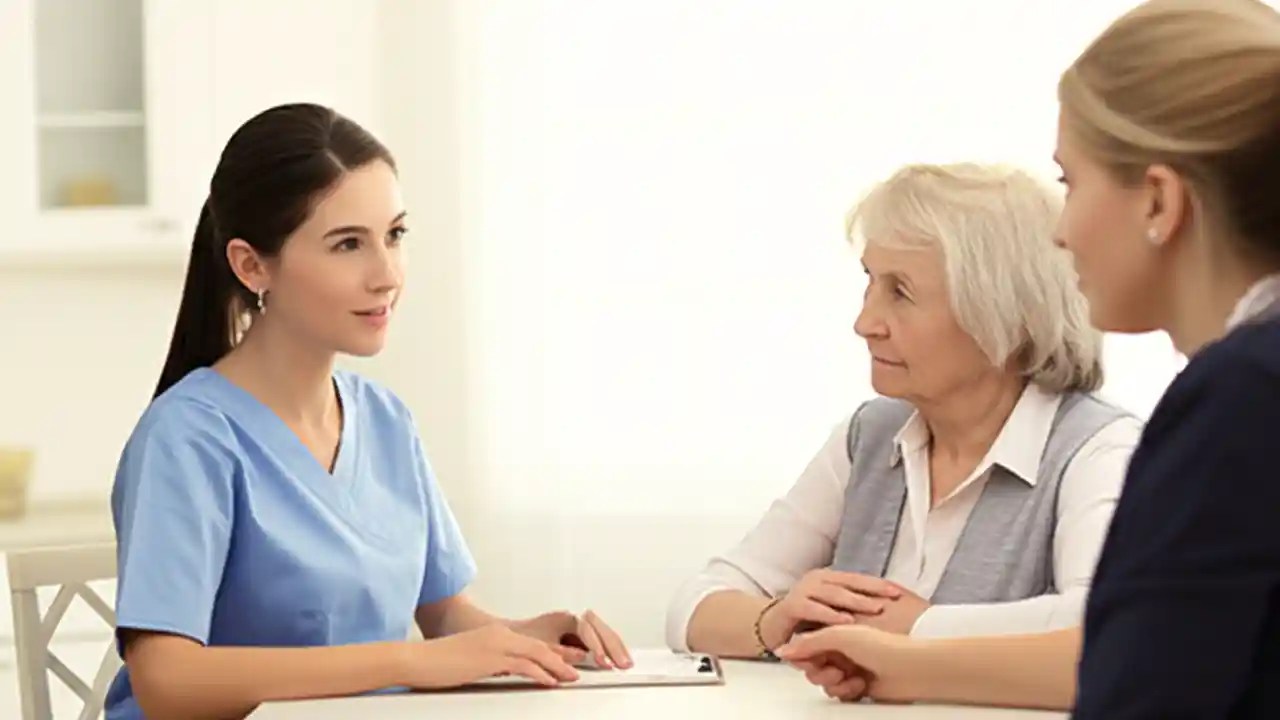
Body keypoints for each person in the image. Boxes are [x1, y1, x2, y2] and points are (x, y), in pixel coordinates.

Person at [776, 1, 1280, 717]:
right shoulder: (1248, 388)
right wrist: (902, 659)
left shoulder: (1235, 400)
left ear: (1160, 202)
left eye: (1070, 184)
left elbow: (1136, 681)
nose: (1062, 233)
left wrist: (911, 638)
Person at [105, 103, 632, 720]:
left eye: (395, 235)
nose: (386, 275)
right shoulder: (188, 437)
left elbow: (442, 616)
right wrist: (403, 663)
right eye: (348, 244)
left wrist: (528, 639)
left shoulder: (385, 421)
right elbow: (168, 680)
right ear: (252, 266)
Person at [667, 163, 1143, 659]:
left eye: (901, 293)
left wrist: (916, 628)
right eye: (870, 283)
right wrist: (776, 619)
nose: (865, 322)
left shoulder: (1099, 449)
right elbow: (694, 605)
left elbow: (1112, 619)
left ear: (1003, 315)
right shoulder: (869, 436)